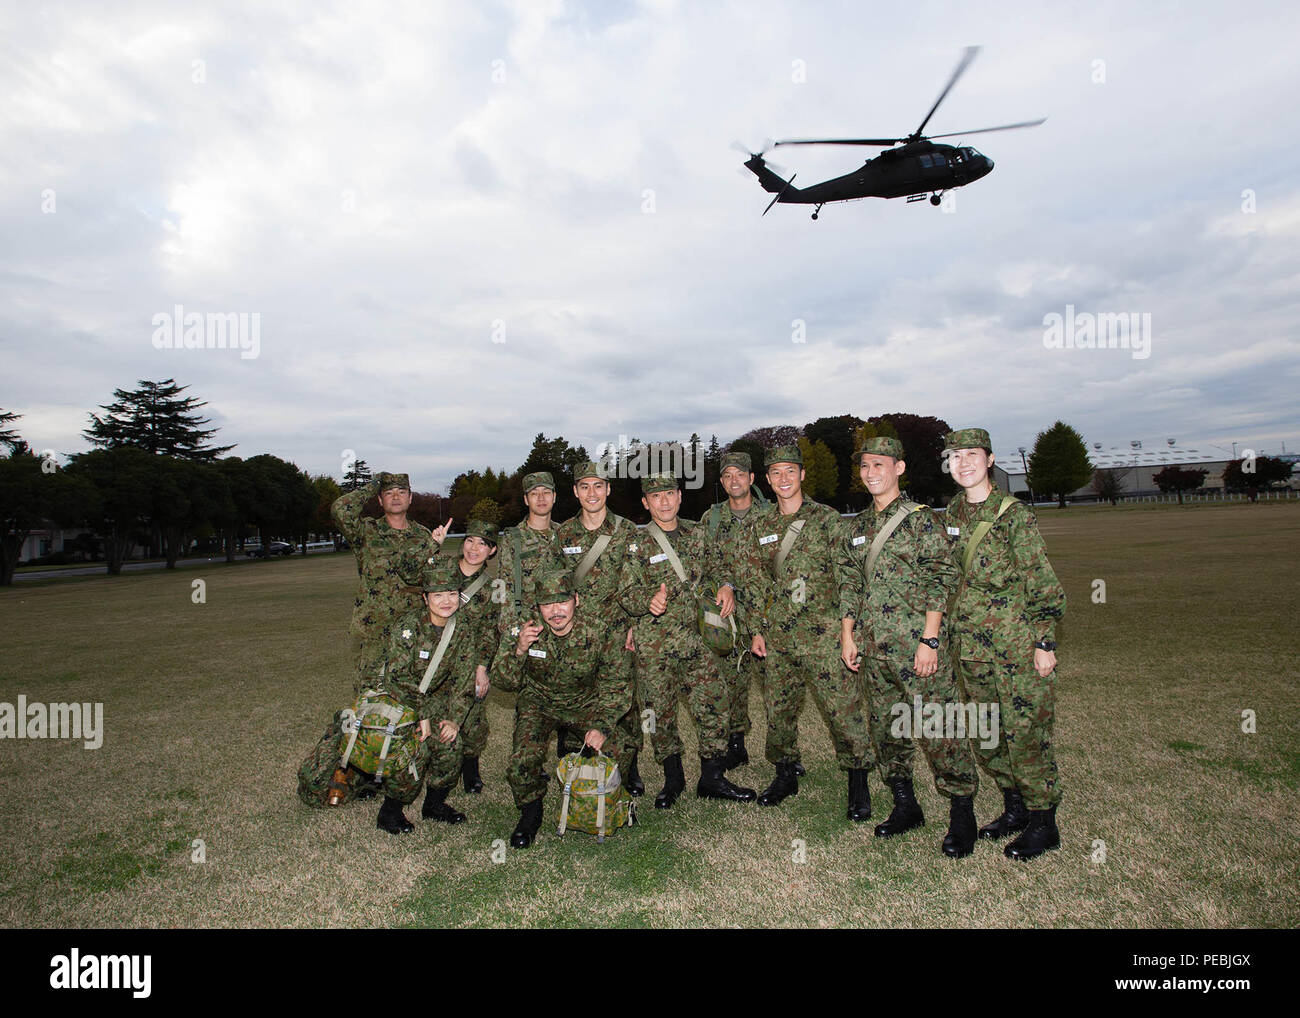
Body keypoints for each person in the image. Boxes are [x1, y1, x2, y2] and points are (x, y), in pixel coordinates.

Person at [839, 436, 979, 857]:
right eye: (865, 466)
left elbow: (943, 579)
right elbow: (849, 585)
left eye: (879, 465)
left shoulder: (920, 521)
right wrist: (847, 634)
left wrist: (930, 639)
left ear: (899, 468)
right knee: (887, 730)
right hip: (873, 649)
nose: (871, 473)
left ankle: (961, 813)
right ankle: (905, 805)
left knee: (939, 727)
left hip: (916, 647)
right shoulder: (856, 527)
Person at [943, 428, 1067, 860]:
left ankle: (1043, 822)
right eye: (956, 456)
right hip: (971, 649)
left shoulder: (1014, 515)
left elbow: (1043, 584)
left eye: (972, 455)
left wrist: (1044, 642)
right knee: (987, 733)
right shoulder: (953, 511)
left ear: (990, 460)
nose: (964, 463)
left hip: (1015, 646)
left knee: (1025, 732)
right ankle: (1014, 808)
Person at [734, 445, 874, 821]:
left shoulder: (826, 520)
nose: (783, 479)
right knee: (778, 712)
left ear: (802, 475)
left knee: (842, 712)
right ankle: (785, 773)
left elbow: (848, 578)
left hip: (824, 635)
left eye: (790, 471)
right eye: (776, 473)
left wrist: (848, 632)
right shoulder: (759, 526)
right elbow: (753, 581)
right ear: (767, 479)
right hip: (778, 638)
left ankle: (858, 781)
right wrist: (755, 631)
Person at [296, 558, 478, 834]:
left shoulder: (462, 630)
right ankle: (390, 812)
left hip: (430, 703)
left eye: (452, 594)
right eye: (438, 595)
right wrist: (423, 717)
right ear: (426, 597)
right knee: (414, 748)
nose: (446, 601)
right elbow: (397, 678)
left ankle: (434, 804)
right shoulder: (408, 627)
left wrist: (454, 720)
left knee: (451, 745)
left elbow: (464, 679)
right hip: (397, 702)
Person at [616, 473, 756, 809]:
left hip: (698, 639)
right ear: (645, 503)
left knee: (714, 704)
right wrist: (647, 601)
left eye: (669, 494)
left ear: (679, 497)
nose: (663, 502)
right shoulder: (635, 544)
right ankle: (673, 778)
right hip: (656, 643)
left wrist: (726, 585)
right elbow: (626, 592)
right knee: (660, 713)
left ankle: (712, 776)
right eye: (655, 497)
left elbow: (722, 565)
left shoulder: (699, 532)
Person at [490, 570, 639, 848]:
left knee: (621, 747)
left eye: (563, 602)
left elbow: (618, 683)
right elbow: (502, 682)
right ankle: (530, 812)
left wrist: (602, 726)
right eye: (547, 604)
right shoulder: (523, 630)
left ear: (577, 600)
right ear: (538, 607)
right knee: (521, 762)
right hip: (539, 702)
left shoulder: (599, 631)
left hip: (584, 702)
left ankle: (608, 797)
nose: (556, 612)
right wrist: (520, 650)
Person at [554, 461, 644, 795]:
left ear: (608, 489)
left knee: (625, 700)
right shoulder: (562, 534)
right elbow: (555, 585)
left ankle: (630, 765)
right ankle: (584, 756)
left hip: (618, 631)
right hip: (577, 633)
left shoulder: (627, 531)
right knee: (580, 695)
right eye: (585, 486)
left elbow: (638, 583)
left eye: (598, 486)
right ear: (576, 492)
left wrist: (636, 624)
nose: (592, 493)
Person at [330, 471, 452, 682]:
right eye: (388, 493)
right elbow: (339, 510)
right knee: (371, 698)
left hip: (412, 630)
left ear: (410, 498)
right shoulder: (366, 531)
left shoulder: (424, 536)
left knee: (411, 696)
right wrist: (373, 484)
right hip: (374, 631)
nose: (396, 497)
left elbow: (432, 584)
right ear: (379, 499)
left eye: (402, 492)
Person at [702, 451, 771, 770]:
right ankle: (736, 744)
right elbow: (702, 564)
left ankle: (787, 752)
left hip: (769, 616)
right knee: (732, 684)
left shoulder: (772, 515)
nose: (734, 480)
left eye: (740, 474)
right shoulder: (711, 519)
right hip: (728, 618)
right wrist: (722, 583)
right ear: (721, 482)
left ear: (752, 479)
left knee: (778, 686)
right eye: (728, 476)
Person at [441, 519, 500, 794]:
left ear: (492, 551)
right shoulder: (442, 572)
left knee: (472, 716)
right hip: (438, 655)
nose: (474, 548)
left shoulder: (492, 588)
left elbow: (490, 631)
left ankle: (470, 767)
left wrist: (482, 667)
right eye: (469, 540)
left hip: (470, 657)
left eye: (483, 543)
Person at [496, 471, 562, 637]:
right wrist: (512, 632)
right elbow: (505, 588)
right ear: (526, 499)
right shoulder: (514, 538)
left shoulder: (566, 534)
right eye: (534, 493)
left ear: (554, 497)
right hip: (530, 628)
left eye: (546, 492)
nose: (541, 498)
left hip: (564, 626)